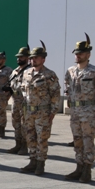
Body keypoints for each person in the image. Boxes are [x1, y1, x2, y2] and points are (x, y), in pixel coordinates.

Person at [64, 36, 95, 183]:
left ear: (88, 54)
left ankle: (87, 170)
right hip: (75, 112)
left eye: (81, 53)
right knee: (77, 140)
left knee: (88, 140)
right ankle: (79, 167)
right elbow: (67, 87)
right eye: (76, 53)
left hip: (89, 111)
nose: (78, 55)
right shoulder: (70, 71)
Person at [20, 44, 61, 175]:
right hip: (29, 112)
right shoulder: (26, 73)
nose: (33, 60)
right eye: (32, 58)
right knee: (30, 137)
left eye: (36, 58)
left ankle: (40, 164)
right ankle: (32, 161)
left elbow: (55, 95)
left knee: (41, 139)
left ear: (43, 59)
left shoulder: (49, 75)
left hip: (42, 112)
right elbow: (23, 92)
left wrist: (53, 112)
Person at [5, 47, 31, 155]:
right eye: (18, 57)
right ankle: (18, 144)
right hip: (15, 101)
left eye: (22, 57)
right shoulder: (15, 71)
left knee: (24, 124)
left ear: (27, 58)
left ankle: (24, 146)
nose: (19, 59)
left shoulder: (30, 71)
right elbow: (12, 85)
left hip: (25, 102)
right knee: (16, 124)